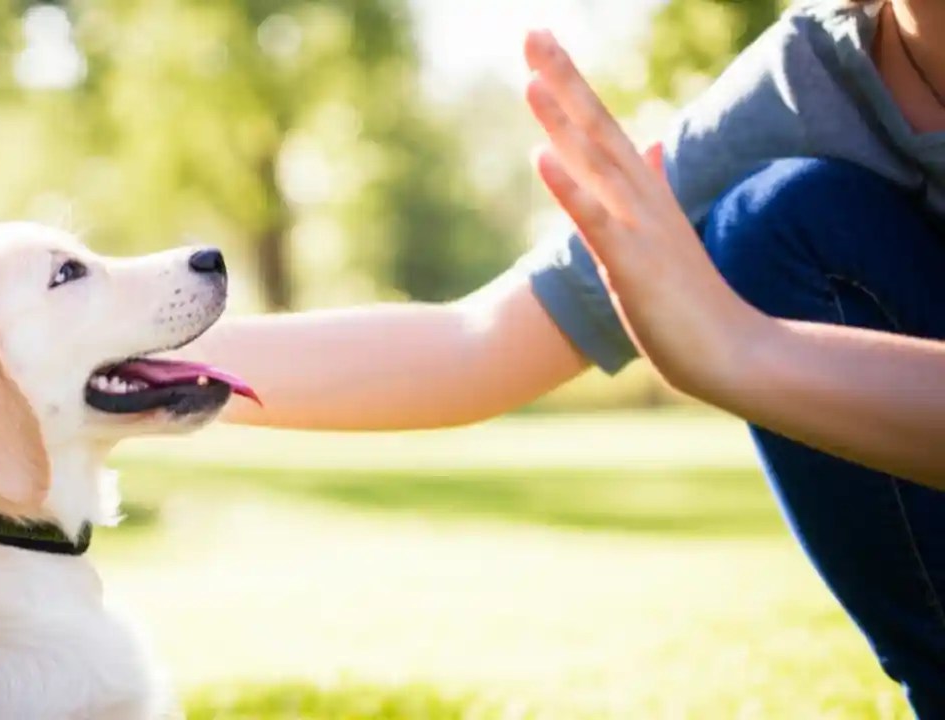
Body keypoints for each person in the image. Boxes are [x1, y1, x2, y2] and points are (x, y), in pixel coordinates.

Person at [187, 0, 945, 714]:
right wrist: (127, 344)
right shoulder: (807, 86)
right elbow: (479, 341)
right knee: (780, 221)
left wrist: (746, 350)